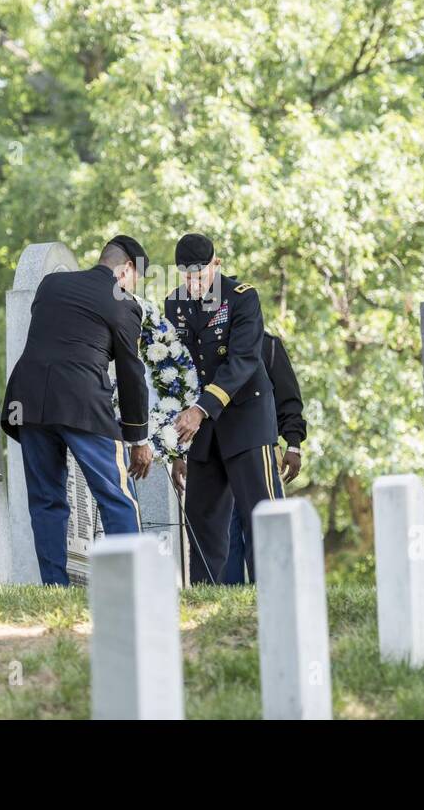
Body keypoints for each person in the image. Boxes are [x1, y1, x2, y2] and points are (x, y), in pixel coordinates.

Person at [1, 236, 154, 585]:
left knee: (45, 499)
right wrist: (137, 438)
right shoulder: (124, 304)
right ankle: (130, 583)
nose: (132, 289)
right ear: (126, 269)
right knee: (116, 496)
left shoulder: (51, 285)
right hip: (83, 404)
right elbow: (132, 374)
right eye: (134, 281)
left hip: (29, 401)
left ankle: (54, 586)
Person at [168, 233, 282, 584]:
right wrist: (174, 447)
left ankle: (277, 585)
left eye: (199, 275)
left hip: (245, 419)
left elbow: (243, 360)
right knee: (201, 516)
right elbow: (173, 371)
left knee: (261, 512)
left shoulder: (241, 299)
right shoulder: (175, 305)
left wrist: (200, 410)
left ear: (216, 265)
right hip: (201, 433)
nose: (193, 283)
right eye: (186, 276)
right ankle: (205, 594)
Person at [219, 332, 307, 584]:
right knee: (227, 535)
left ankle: (275, 587)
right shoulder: (201, 345)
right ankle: (228, 598)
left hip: (259, 455)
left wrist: (293, 444)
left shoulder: (267, 345)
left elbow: (289, 400)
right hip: (218, 456)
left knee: (264, 524)